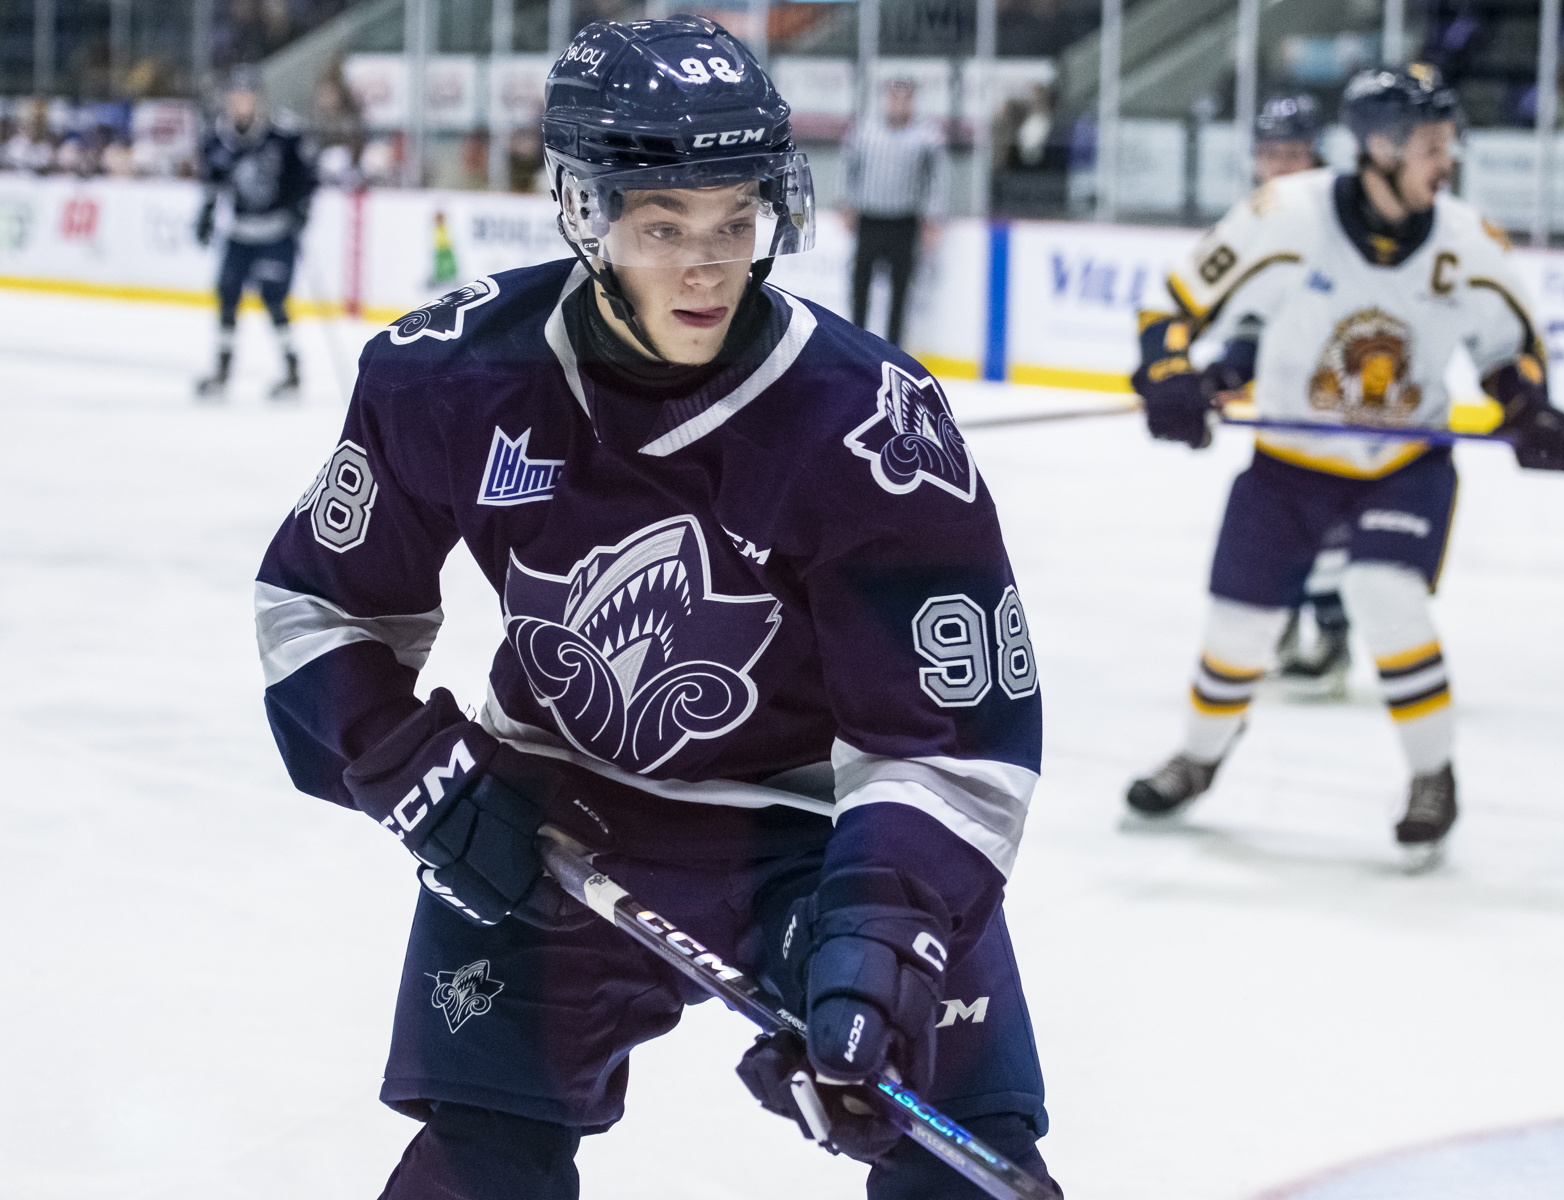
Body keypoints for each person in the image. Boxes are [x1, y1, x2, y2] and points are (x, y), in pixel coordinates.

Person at [253, 19, 1057, 1199]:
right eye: (663, 225)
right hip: (545, 816)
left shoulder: (869, 426)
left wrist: (884, 930)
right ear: (585, 211)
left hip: (812, 835)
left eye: (738, 220)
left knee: (959, 1152)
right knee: (479, 1162)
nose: (707, 266)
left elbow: (955, 739)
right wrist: (405, 761)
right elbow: (317, 606)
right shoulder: (452, 373)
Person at [1123, 65, 1564, 865]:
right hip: (1289, 465)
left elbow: (1511, 350)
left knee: (1384, 592)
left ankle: (1433, 776)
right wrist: (1169, 378)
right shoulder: (1289, 216)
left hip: (1404, 462)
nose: (1449, 161)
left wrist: (1530, 409)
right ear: (1381, 147)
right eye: (1434, 146)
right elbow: (1173, 306)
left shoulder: (1465, 241)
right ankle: (1200, 755)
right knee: (1238, 632)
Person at [1244, 93, 1355, 695]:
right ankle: (1283, 624)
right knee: (1283, 522)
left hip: (1340, 396)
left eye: (1292, 153)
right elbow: (1247, 311)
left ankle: (1333, 633)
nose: (1280, 165)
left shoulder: (1340, 215)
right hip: (1283, 401)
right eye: (1269, 154)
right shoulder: (1256, 217)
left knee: (1329, 525)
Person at [194, 65, 318, 400]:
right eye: (234, 97)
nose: (239, 103)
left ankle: (292, 370)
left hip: (277, 232)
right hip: (240, 233)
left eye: (246, 96)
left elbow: (306, 176)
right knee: (227, 295)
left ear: (257, 100)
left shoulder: (283, 138)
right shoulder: (218, 140)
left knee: (274, 298)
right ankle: (222, 369)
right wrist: (205, 214)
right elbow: (213, 181)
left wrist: (301, 208)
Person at [841, 77, 949, 346]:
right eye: (895, 98)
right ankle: (857, 341)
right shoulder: (865, 130)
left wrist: (933, 217)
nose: (899, 104)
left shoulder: (927, 135)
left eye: (905, 98)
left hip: (904, 221)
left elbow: (938, 177)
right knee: (860, 283)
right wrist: (846, 203)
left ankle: (892, 346)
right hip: (870, 219)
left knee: (900, 288)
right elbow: (848, 166)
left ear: (912, 101)